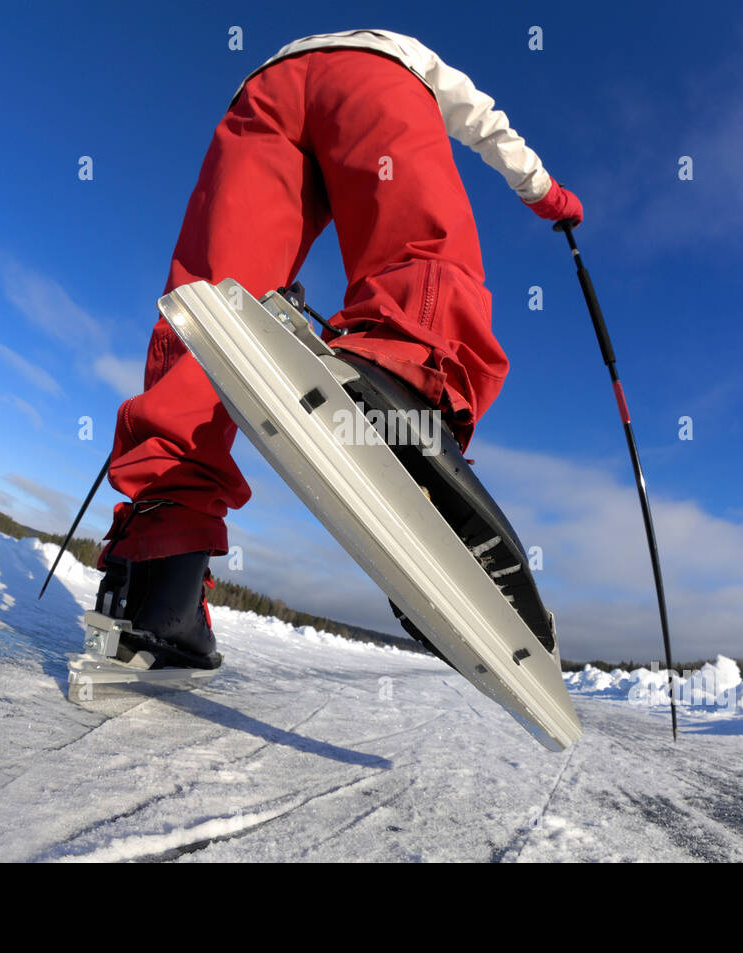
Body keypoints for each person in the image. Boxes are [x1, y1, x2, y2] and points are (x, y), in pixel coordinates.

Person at [94, 28, 583, 669]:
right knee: (417, 246)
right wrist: (547, 193)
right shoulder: (413, 58)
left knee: (210, 306)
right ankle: (405, 375)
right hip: (375, 82)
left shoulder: (292, 59)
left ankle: (160, 568)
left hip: (260, 98)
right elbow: (487, 124)